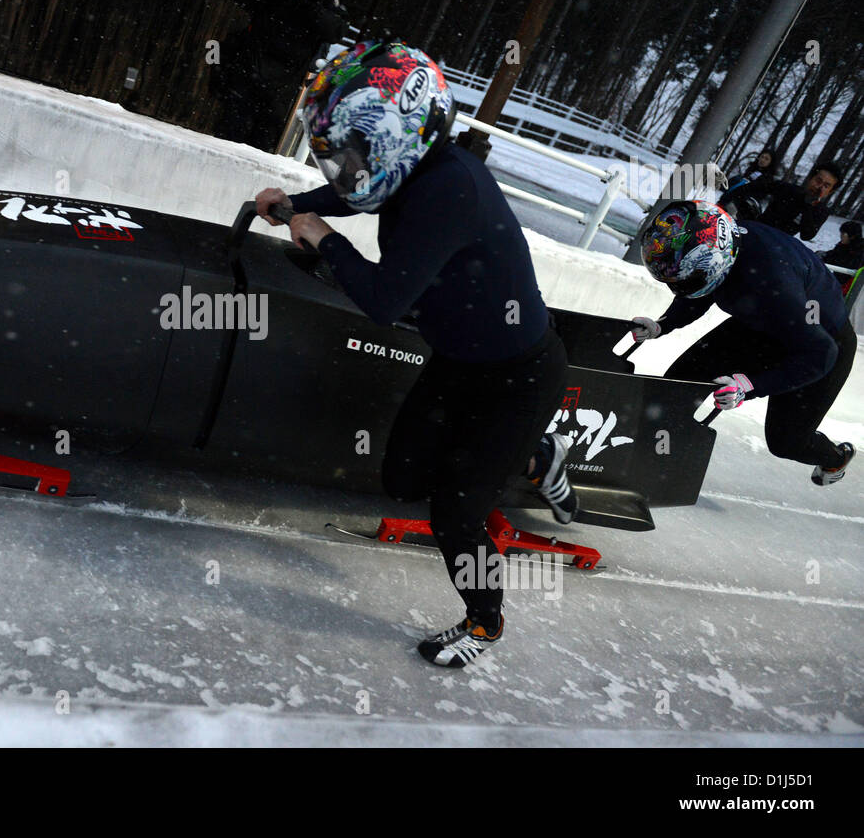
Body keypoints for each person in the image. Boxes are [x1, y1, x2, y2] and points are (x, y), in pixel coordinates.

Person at [255, 41, 577, 668]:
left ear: (399, 136)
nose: (342, 164)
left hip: (520, 378)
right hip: (461, 360)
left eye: (351, 150)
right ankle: (534, 456)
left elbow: (383, 299)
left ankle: (485, 623)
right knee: (402, 479)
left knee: (456, 513)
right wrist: (299, 204)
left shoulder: (449, 189)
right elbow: (363, 189)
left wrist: (321, 239)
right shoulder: (414, 166)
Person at [630, 200, 855, 486]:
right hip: (764, 323)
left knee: (785, 441)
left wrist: (750, 386)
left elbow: (822, 353)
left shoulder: (773, 284)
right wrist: (664, 323)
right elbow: (699, 286)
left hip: (816, 346)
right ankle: (651, 461)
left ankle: (836, 458)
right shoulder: (722, 244)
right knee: (678, 386)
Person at [212, 0, 350, 151]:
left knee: (263, 144)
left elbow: (336, 30)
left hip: (285, 84)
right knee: (228, 134)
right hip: (250, 67)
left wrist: (309, 2)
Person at [718, 161, 841, 240]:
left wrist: (810, 206)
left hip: (777, 247)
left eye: (826, 186)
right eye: (818, 181)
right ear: (811, 178)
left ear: (830, 192)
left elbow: (807, 235)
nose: (819, 187)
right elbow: (752, 187)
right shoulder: (788, 189)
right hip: (754, 232)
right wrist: (724, 202)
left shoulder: (821, 210)